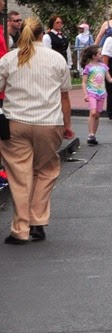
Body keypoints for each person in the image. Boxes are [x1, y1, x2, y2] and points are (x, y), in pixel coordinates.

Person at [0, 17, 74, 245]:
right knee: (46, 171)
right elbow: (64, 96)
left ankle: (20, 228)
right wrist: (67, 125)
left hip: (16, 122)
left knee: (19, 176)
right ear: (43, 35)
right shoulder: (56, 59)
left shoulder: (9, 59)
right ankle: (38, 220)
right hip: (48, 122)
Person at [80, 45, 112, 146]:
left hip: (101, 93)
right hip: (92, 92)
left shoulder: (103, 67)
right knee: (93, 112)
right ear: (94, 56)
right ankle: (90, 134)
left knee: (97, 114)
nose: (101, 55)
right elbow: (84, 82)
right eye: (99, 54)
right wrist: (85, 94)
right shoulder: (88, 68)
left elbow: (109, 79)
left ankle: (93, 134)